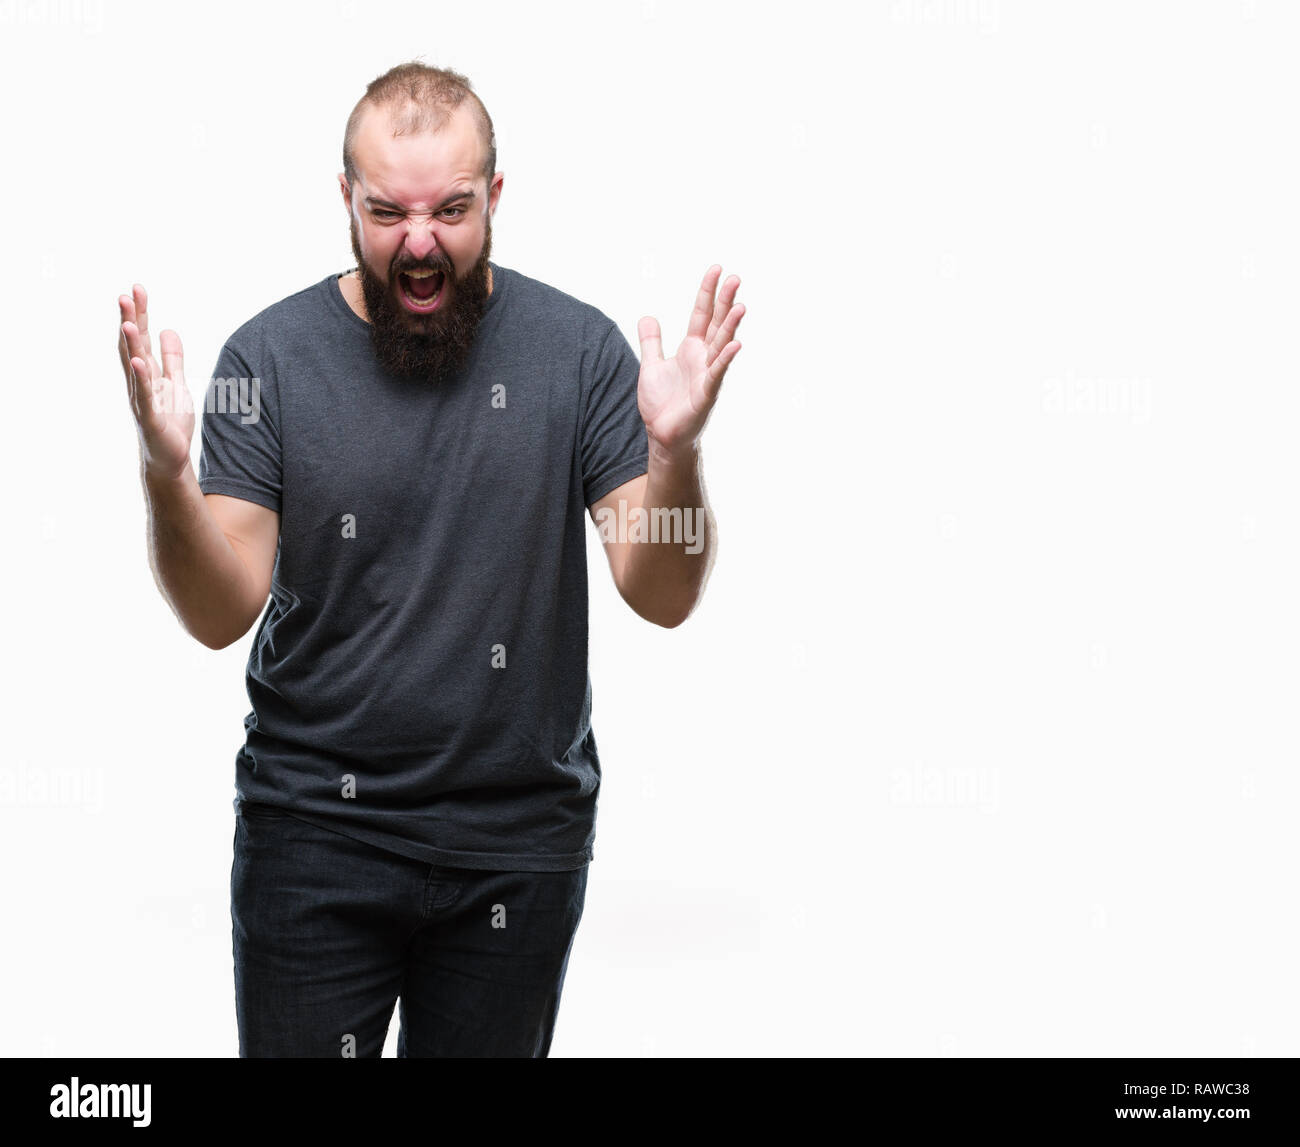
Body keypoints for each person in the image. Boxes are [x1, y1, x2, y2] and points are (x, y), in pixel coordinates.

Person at [115, 60, 745, 1058]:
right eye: (387, 212)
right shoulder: (260, 362)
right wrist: (162, 473)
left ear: (495, 196)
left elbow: (659, 589)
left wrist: (675, 452)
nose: (418, 243)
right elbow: (218, 608)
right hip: (312, 837)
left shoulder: (578, 354)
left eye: (450, 211)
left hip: (515, 848)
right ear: (344, 200)